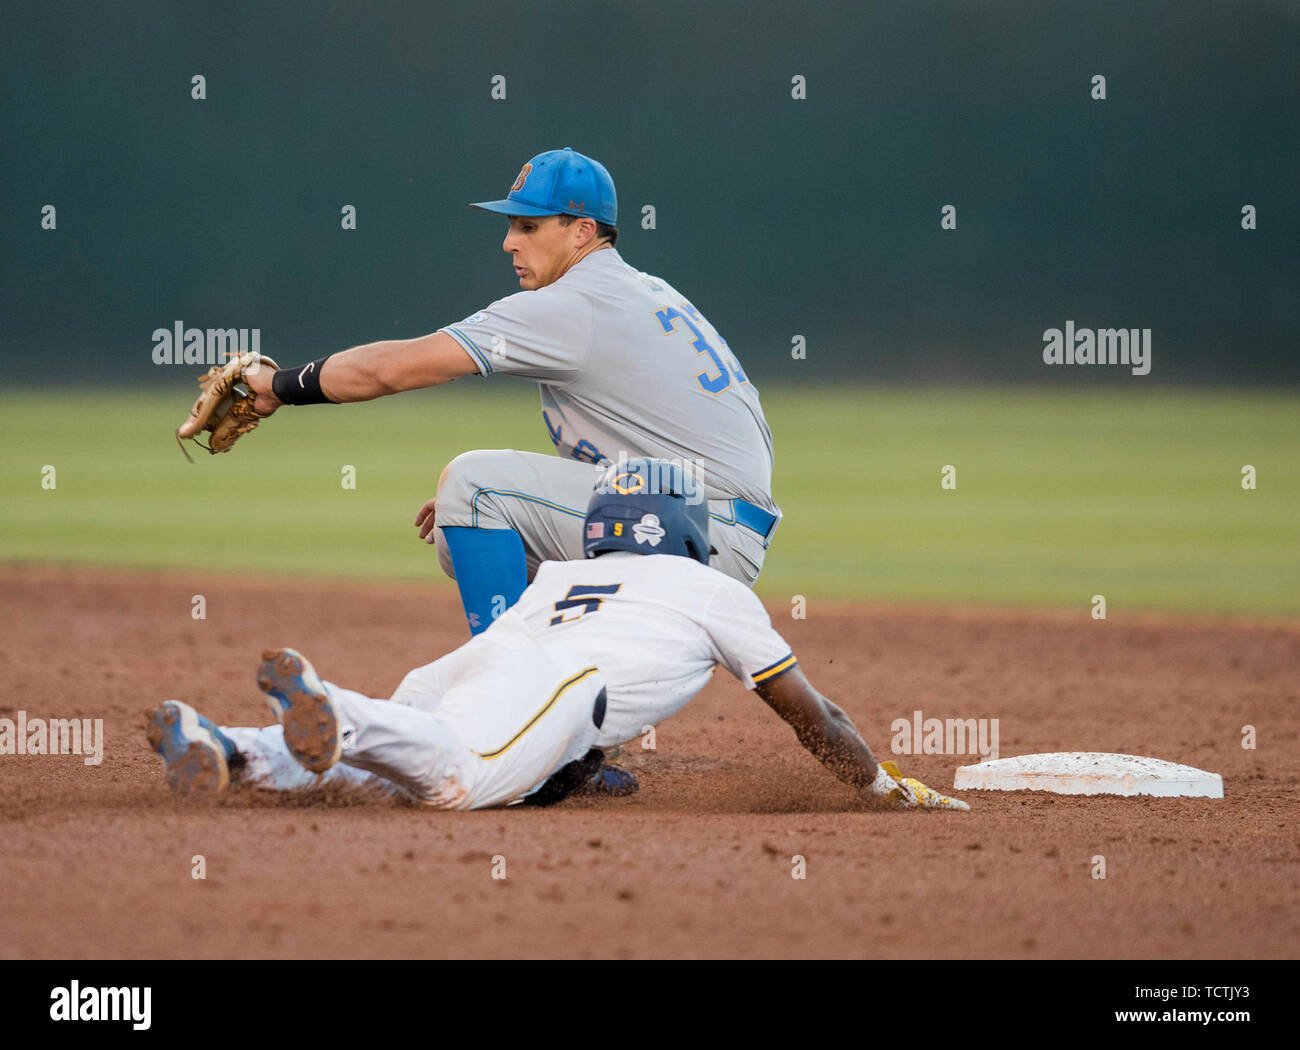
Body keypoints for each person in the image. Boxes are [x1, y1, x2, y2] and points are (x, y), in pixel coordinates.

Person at [146, 459, 969, 812]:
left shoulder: (565, 573)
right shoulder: (713, 589)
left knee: (381, 777)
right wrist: (879, 787)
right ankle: (340, 711)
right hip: (563, 686)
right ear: (688, 530)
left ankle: (233, 748)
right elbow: (812, 717)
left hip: (481, 661)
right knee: (455, 785)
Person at [244, 147, 780, 636]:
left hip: (704, 534)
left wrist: (277, 386)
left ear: (582, 231)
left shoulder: (573, 303)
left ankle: (507, 691)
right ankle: (579, 703)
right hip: (704, 527)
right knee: (463, 533)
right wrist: (512, 507)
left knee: (473, 485)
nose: (509, 242)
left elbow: (393, 369)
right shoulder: (643, 289)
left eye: (527, 225)